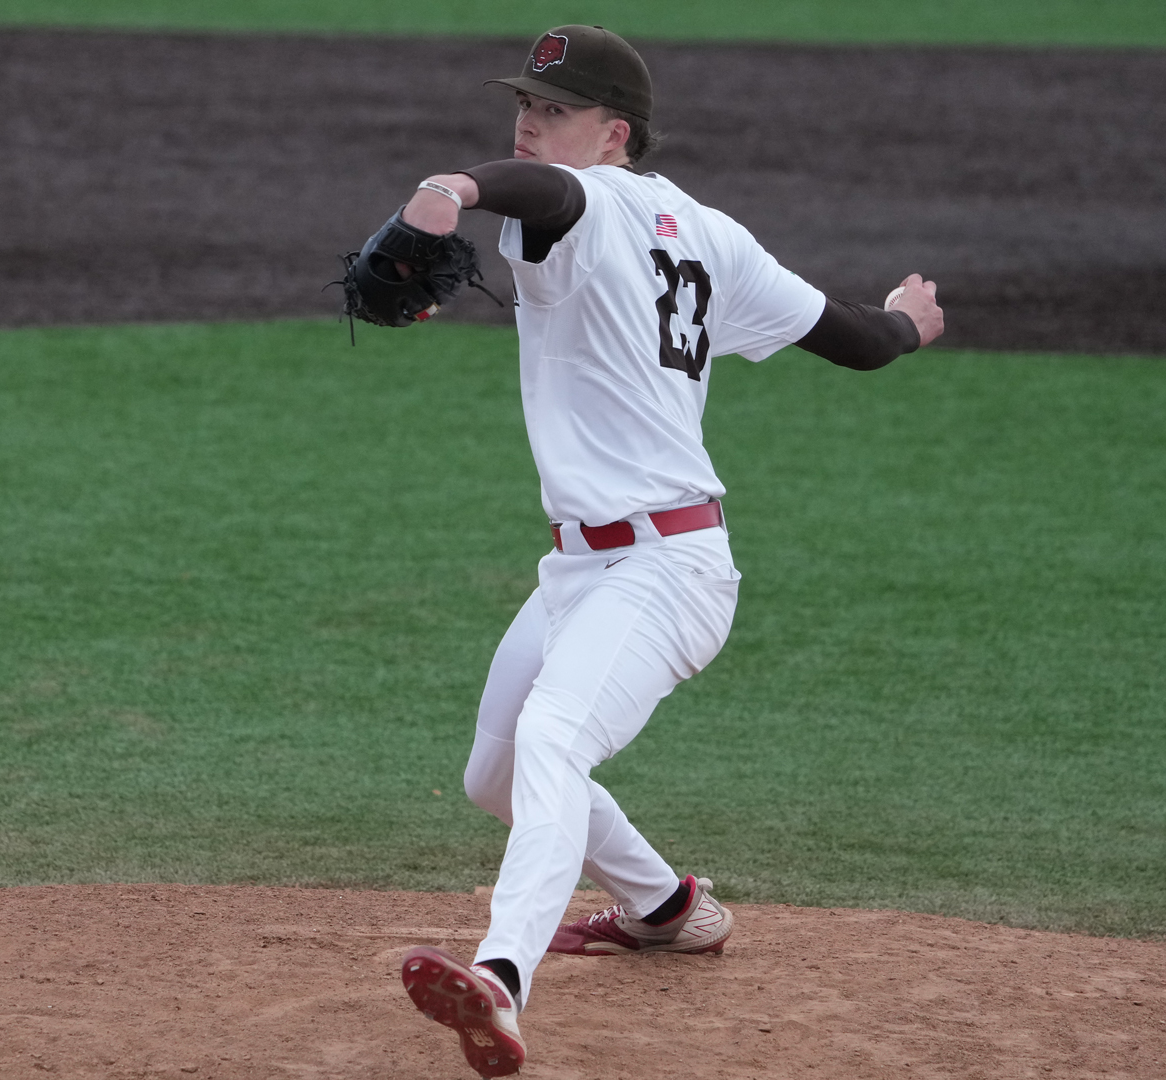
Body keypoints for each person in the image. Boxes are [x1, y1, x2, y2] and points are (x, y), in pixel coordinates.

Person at [392, 25, 944, 1078]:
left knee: (553, 740)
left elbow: (542, 193)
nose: (529, 122)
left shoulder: (584, 202)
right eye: (526, 103)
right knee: (496, 776)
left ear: (616, 134)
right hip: (586, 570)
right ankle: (666, 909)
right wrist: (907, 323)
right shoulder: (706, 231)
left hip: (667, 569)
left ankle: (500, 979)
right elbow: (859, 340)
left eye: (556, 110)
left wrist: (454, 186)